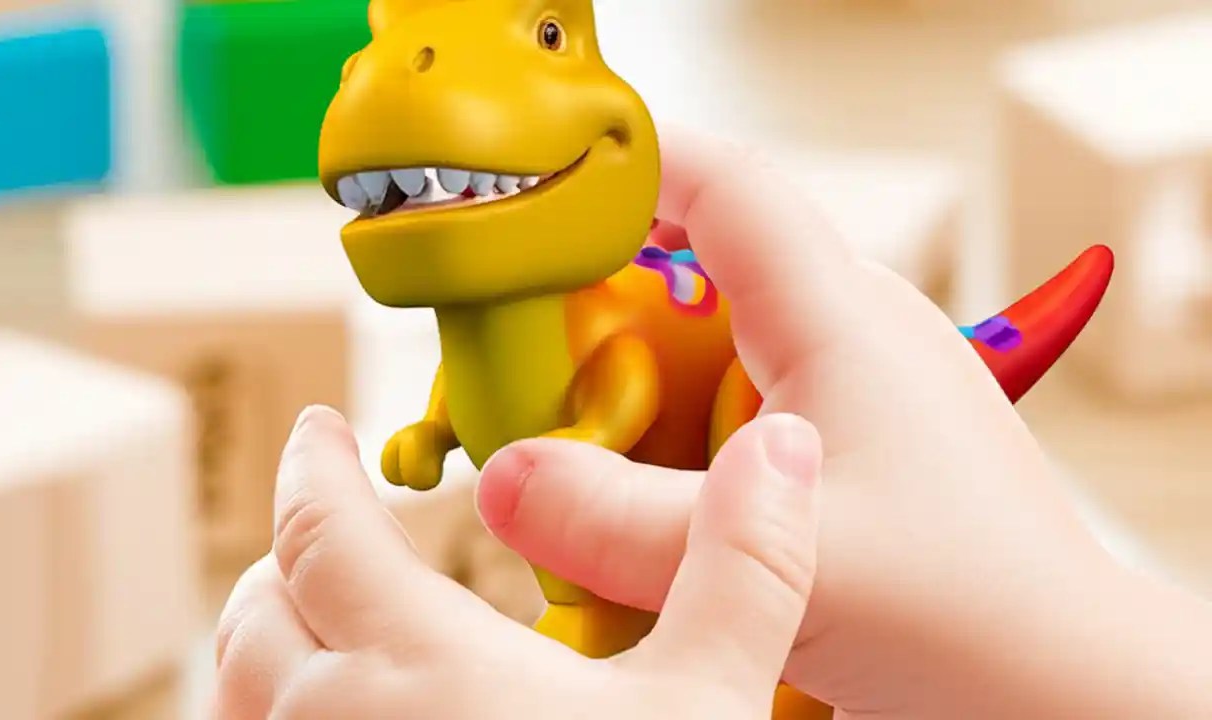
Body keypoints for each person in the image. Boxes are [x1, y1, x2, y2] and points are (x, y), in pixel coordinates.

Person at [214, 128, 1212, 720]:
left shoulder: (595, 312)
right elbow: (466, 377)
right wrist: (1076, 636)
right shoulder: (499, 309)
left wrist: (1059, 625)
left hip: (721, 390)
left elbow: (622, 384)